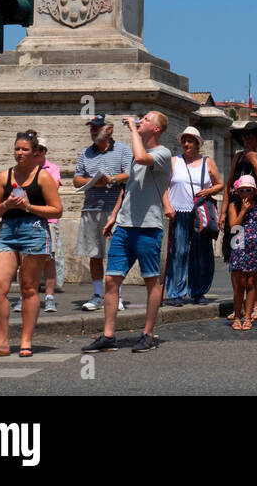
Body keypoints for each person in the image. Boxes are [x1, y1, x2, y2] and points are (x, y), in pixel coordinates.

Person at [82, 112, 173, 353]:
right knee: (112, 279)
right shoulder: (136, 155)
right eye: (139, 119)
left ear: (156, 129)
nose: (140, 121)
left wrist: (133, 129)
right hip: (124, 225)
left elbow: (143, 158)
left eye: (146, 120)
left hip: (148, 227)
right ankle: (108, 334)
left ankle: (147, 334)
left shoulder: (162, 154)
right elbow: (127, 189)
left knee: (151, 280)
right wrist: (114, 216)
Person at [0, 130, 63, 359]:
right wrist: (6, 204)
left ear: (35, 152)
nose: (19, 153)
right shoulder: (4, 177)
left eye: (25, 149)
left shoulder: (43, 177)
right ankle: (2, 342)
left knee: (28, 288)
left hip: (34, 232)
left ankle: (26, 341)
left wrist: (28, 206)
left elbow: (57, 210)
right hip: (7, 233)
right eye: (17, 149)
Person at [72, 115, 132, 311]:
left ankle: (118, 295)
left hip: (115, 209)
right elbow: (76, 180)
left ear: (110, 130)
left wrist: (111, 179)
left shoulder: (123, 149)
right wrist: (97, 181)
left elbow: (129, 174)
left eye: (97, 127)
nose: (93, 131)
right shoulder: (85, 153)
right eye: (92, 128)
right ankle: (98, 294)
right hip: (91, 208)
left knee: (116, 253)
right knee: (94, 254)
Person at [162, 126, 224, 307]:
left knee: (201, 253)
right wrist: (167, 206)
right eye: (184, 140)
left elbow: (220, 184)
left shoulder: (207, 162)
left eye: (190, 141)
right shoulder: (173, 161)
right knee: (178, 252)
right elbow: (164, 186)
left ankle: (199, 291)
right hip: (179, 212)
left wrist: (209, 191)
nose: (186, 144)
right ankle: (176, 292)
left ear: (197, 143)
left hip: (200, 212)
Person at [223, 122, 257, 323]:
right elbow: (229, 186)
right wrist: (222, 214)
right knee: (237, 262)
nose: (246, 140)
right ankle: (239, 307)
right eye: (244, 136)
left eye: (250, 136)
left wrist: (254, 161)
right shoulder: (237, 157)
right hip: (237, 217)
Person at [25, 137, 63, 313]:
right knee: (25, 259)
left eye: (42, 149)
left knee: (49, 259)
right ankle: (25, 296)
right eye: (36, 149)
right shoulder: (24, 168)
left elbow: (52, 189)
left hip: (48, 219)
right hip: (27, 218)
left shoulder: (52, 168)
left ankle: (49, 297)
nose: (39, 152)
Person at [226, 177, 257, 330]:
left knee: (251, 283)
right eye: (241, 190)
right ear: (237, 192)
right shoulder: (234, 206)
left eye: (248, 190)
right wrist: (243, 210)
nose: (245, 193)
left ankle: (248, 316)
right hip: (238, 245)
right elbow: (233, 226)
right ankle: (237, 316)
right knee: (239, 285)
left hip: (254, 246)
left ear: (254, 191)